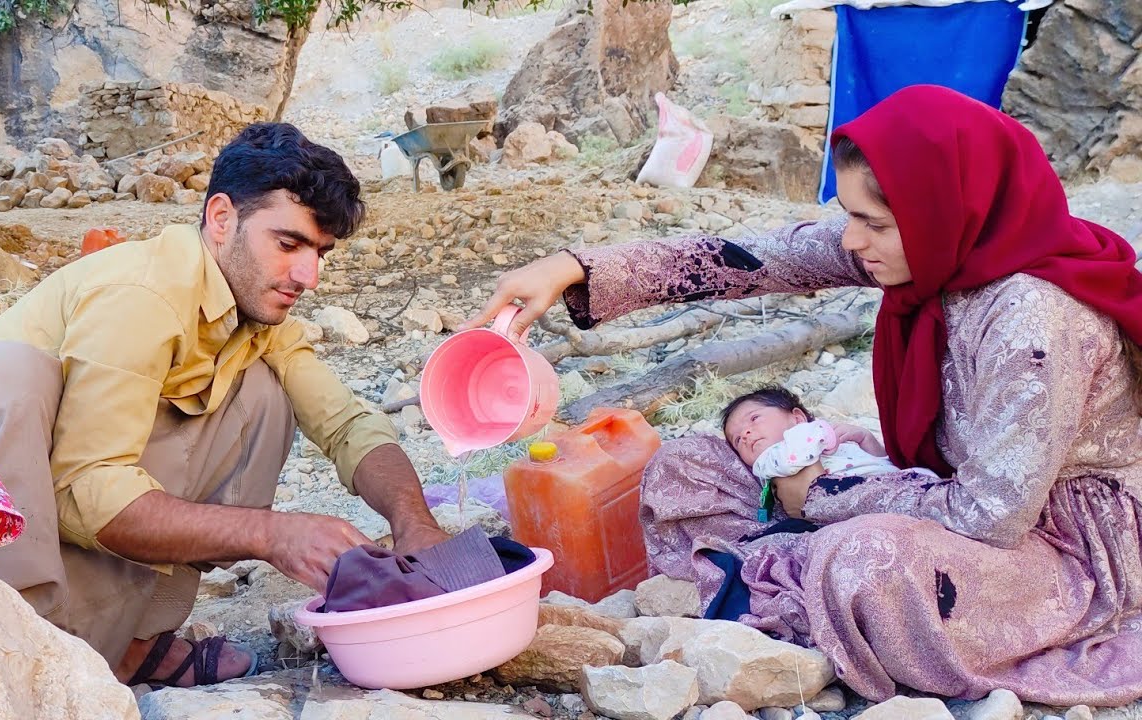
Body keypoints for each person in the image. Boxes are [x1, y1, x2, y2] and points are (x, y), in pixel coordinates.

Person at [463, 85, 1142, 705]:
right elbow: (759, 259)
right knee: (689, 465)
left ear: (947, 207)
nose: (851, 241)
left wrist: (819, 494)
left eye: (873, 223)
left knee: (868, 562)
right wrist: (578, 268)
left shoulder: (1032, 320)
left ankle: (790, 565)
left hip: (1057, 547)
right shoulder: (937, 247)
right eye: (850, 217)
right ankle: (789, 566)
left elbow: (990, 515)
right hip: (943, 489)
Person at [0, 122, 450, 688]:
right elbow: (85, 491)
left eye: (320, 252)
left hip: (92, 500)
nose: (307, 276)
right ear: (220, 219)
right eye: (288, 245)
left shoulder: (255, 303)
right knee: (4, 378)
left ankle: (135, 648)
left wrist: (414, 524)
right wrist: (272, 534)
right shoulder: (142, 296)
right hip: (13, 518)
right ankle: (24, 664)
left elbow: (345, 425)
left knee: (264, 392)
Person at [721, 385, 937, 522]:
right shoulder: (768, 461)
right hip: (856, 498)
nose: (746, 433)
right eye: (737, 439)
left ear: (796, 418)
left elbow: (884, 463)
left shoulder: (813, 435)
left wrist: (865, 439)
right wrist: (820, 434)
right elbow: (793, 459)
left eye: (754, 418)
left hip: (892, 480)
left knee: (924, 477)